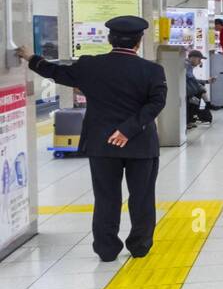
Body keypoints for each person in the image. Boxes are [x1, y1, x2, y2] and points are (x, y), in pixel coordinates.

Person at [16, 16, 166, 261]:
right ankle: (140, 245)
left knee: (106, 196)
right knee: (142, 196)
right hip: (140, 143)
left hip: (102, 143)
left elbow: (56, 72)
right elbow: (156, 103)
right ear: (139, 42)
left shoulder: (90, 66)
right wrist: (128, 130)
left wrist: (31, 58)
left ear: (109, 39)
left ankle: (107, 249)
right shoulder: (152, 70)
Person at [186, 50, 212, 126]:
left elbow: (193, 80)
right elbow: (191, 80)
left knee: (199, 92)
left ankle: (191, 119)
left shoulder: (188, 65)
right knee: (198, 93)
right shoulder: (187, 65)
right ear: (193, 58)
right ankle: (190, 119)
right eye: (199, 59)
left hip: (188, 89)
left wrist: (206, 81)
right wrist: (201, 86)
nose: (200, 62)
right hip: (186, 91)